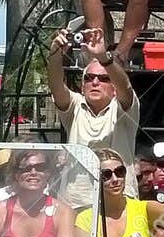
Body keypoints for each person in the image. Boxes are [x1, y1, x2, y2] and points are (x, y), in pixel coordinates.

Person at [45, 27, 140, 198]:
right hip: (76, 203)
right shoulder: (75, 106)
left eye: (104, 79)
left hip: (119, 203)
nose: (95, 82)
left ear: (114, 89)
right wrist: (55, 55)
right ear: (82, 87)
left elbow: (126, 88)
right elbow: (56, 85)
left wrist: (103, 57)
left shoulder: (124, 108)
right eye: (89, 78)